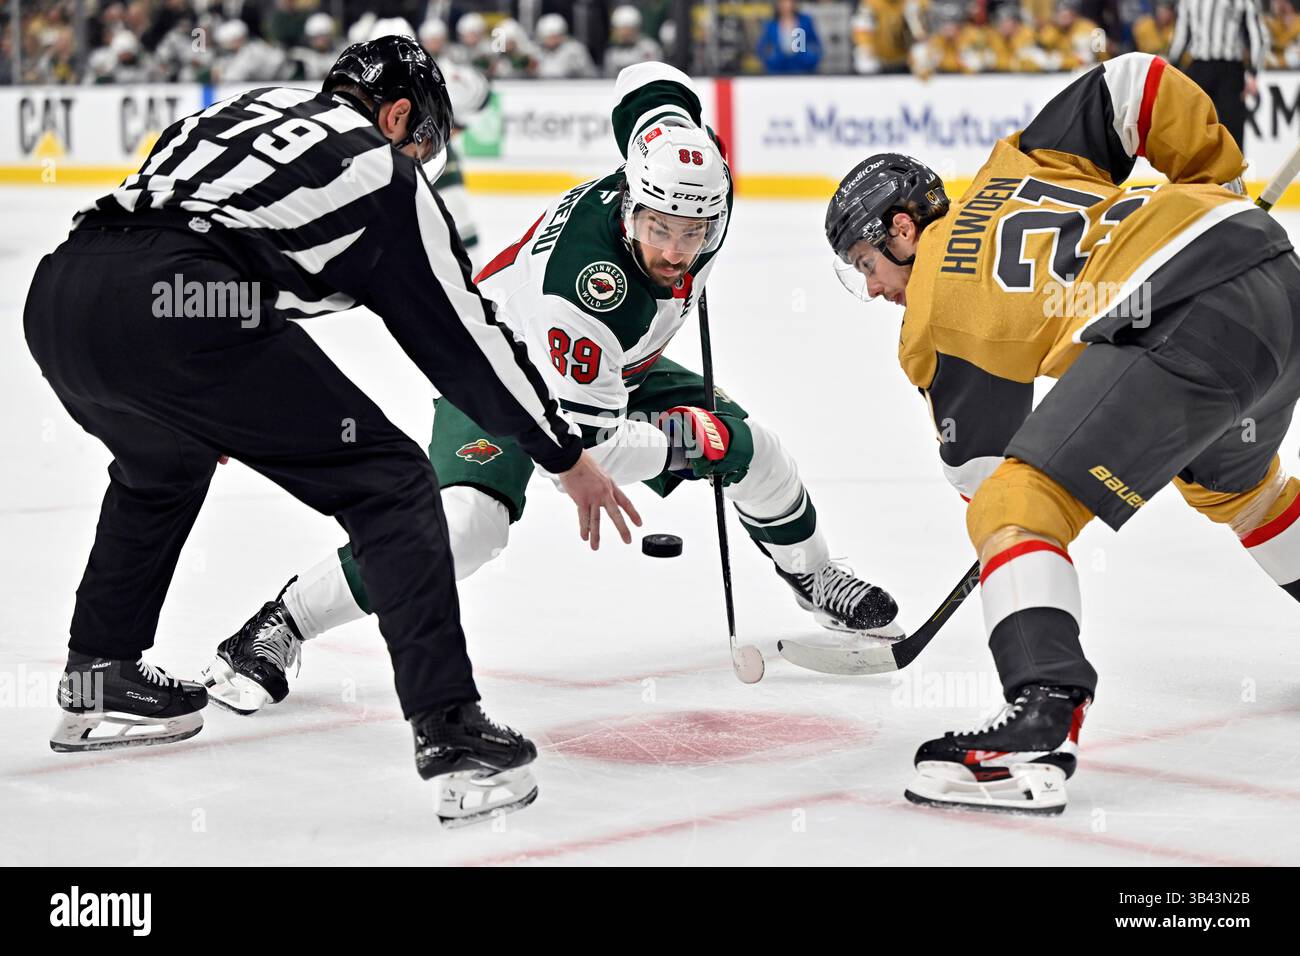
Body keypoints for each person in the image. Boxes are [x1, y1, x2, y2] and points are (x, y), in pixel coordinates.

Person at [25, 35, 635, 827]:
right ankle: (450, 730)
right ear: (398, 113)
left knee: (162, 461)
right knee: (392, 481)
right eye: (424, 142)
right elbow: (469, 348)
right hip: (176, 301)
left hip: (62, 293)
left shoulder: (250, 108)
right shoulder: (385, 173)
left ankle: (98, 674)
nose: (423, 159)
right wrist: (561, 453)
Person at [202, 62, 904, 715]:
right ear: (631, 205)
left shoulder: (687, 181)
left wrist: (679, 121)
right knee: (468, 530)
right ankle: (280, 622)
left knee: (760, 452)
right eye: (660, 229)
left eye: (695, 233)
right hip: (502, 369)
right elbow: (585, 451)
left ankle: (814, 577)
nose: (675, 252)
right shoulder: (582, 294)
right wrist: (684, 446)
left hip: (619, 365)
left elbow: (643, 80)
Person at [824, 52, 1299, 813]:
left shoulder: (930, 317)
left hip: (1186, 316)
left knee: (1012, 505)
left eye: (866, 264)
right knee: (1239, 488)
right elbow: (1135, 83)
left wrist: (1023, 539)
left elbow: (986, 482)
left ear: (902, 229)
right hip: (1271, 280)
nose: (875, 287)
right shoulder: (1013, 165)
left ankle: (1038, 723)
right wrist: (1215, 179)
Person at [1168, 0, 1269, 149]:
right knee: (1194, 126)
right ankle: (1200, 169)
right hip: (1206, 67)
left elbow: (1258, 37)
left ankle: (1231, 170)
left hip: (1225, 69)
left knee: (1229, 127)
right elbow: (1258, 37)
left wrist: (1254, 72)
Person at [758, 0, 824, 74]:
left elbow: (816, 45)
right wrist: (772, 60)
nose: (786, 5)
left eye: (789, 2)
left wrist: (809, 59)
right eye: (783, 2)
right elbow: (762, 48)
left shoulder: (805, 22)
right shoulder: (770, 24)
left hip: (803, 70)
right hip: (777, 71)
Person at [603, 5, 664, 77]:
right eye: (621, 29)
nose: (624, 33)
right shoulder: (611, 53)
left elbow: (655, 73)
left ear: (637, 29)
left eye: (628, 29)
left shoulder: (649, 49)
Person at [535, 12, 599, 78]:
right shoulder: (535, 51)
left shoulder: (576, 50)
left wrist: (575, 72)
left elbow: (590, 74)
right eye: (549, 37)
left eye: (555, 36)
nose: (552, 40)